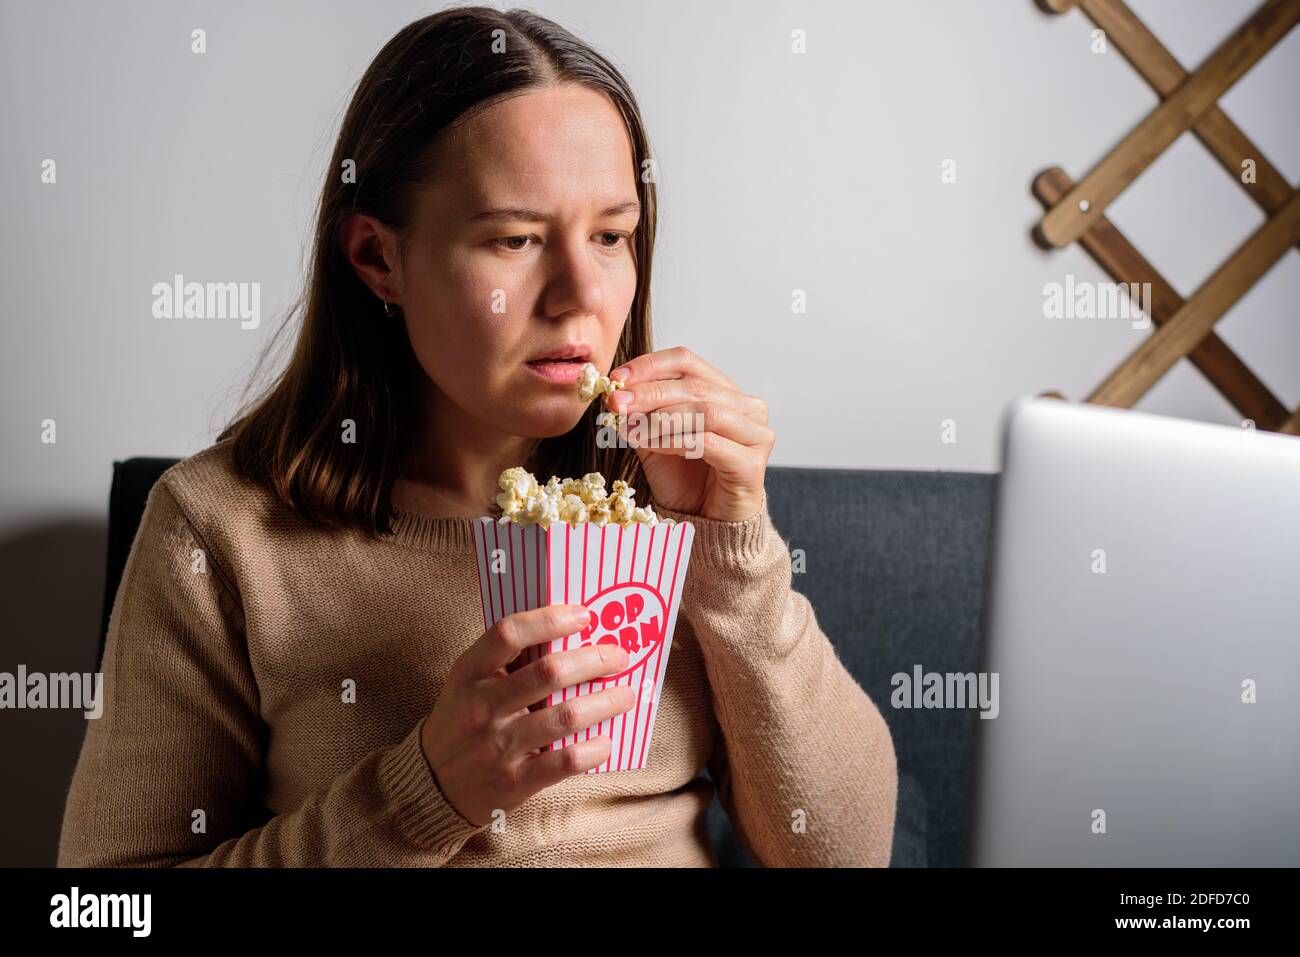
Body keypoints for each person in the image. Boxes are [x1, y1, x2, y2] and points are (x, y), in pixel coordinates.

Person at [57, 5, 896, 867]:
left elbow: (845, 855)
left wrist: (738, 555)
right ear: (378, 259)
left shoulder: (672, 500)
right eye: (516, 238)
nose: (580, 294)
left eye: (611, 235)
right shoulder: (220, 529)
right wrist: (422, 797)